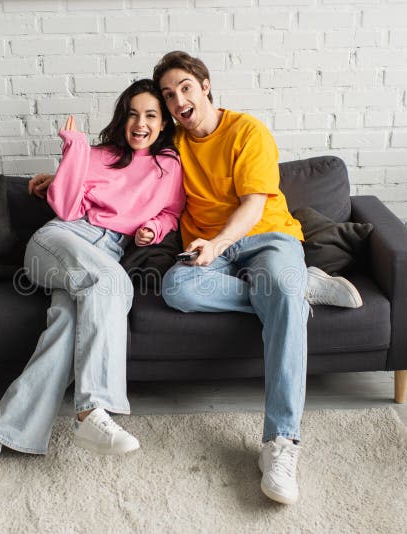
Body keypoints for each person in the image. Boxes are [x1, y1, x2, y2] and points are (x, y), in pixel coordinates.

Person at [152, 51, 361, 505]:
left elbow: (252, 205)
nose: (178, 100)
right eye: (169, 95)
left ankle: (281, 443)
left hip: (267, 237)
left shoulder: (247, 130)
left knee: (279, 293)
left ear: (205, 85)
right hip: (209, 250)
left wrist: (217, 244)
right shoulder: (172, 142)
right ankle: (297, 288)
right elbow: (121, 159)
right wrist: (67, 173)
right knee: (176, 287)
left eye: (185, 87)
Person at [0, 79, 184, 493]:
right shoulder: (98, 155)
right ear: (122, 118)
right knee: (113, 284)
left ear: (163, 122)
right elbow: (64, 207)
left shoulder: (168, 165)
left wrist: (154, 227)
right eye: (133, 113)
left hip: (107, 254)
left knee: (66, 328)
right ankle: (91, 412)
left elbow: (171, 213)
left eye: (151, 115)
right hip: (61, 241)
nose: (141, 123)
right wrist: (74, 149)